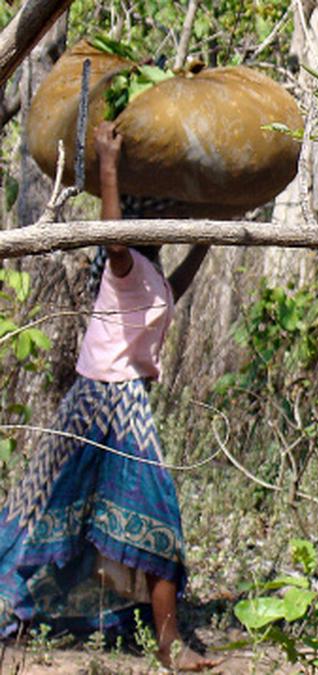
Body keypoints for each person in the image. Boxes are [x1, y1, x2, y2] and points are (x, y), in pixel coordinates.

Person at [0, 121, 215, 670]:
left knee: (64, 514)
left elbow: (174, 291)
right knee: (148, 522)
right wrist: (109, 164)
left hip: (120, 406)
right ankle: (170, 649)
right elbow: (113, 237)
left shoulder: (149, 274)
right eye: (161, 218)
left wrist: (212, 237)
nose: (169, 227)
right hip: (104, 403)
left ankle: (156, 641)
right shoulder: (122, 265)